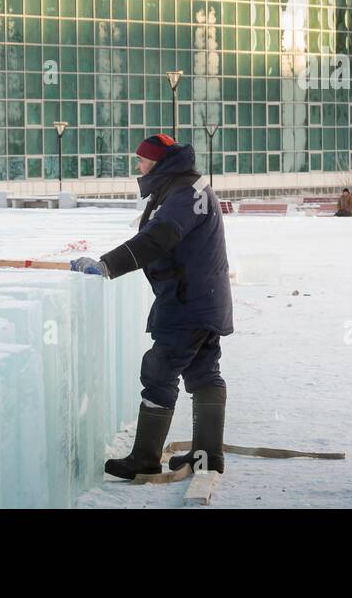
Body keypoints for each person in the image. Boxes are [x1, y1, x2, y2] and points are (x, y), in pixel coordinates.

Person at [71, 134, 233, 479]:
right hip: (199, 298)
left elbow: (159, 236)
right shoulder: (183, 186)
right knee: (203, 371)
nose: (138, 165)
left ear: (157, 162)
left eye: (142, 159)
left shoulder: (185, 192)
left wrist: (107, 265)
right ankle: (207, 455)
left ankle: (144, 458)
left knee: (159, 371)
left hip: (188, 301)